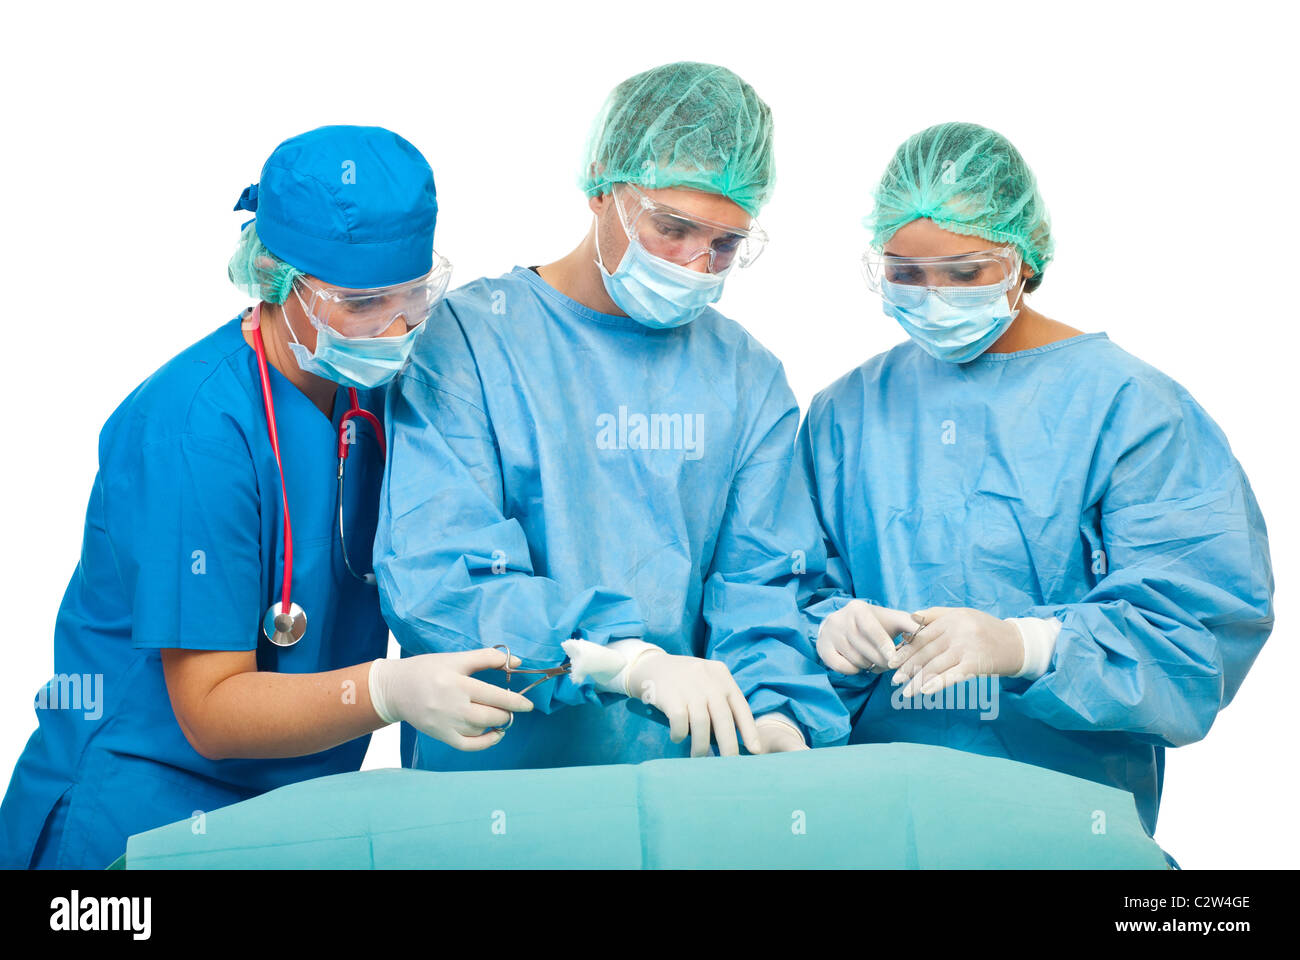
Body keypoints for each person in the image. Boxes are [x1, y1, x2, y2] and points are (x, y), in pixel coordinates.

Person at [0, 125, 532, 869]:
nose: (401, 327)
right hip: (135, 820)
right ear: (276, 282)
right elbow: (212, 711)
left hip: (286, 819)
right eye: (364, 301)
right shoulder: (196, 428)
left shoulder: (372, 396)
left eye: (417, 295)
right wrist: (386, 691)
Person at [799, 121, 1274, 840]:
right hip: (872, 825)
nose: (933, 297)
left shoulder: (1132, 411)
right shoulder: (845, 413)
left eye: (965, 273)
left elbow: (1199, 628)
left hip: (1063, 825)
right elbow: (774, 590)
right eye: (905, 273)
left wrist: (1028, 646)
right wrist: (829, 628)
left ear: (1026, 255)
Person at [374, 62, 849, 771]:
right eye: (672, 228)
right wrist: (622, 658)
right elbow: (439, 573)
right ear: (602, 187)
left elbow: (763, 587)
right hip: (496, 783)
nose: (696, 263)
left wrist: (777, 715)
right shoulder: (470, 342)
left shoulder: (747, 378)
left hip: (685, 786)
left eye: (724, 245)